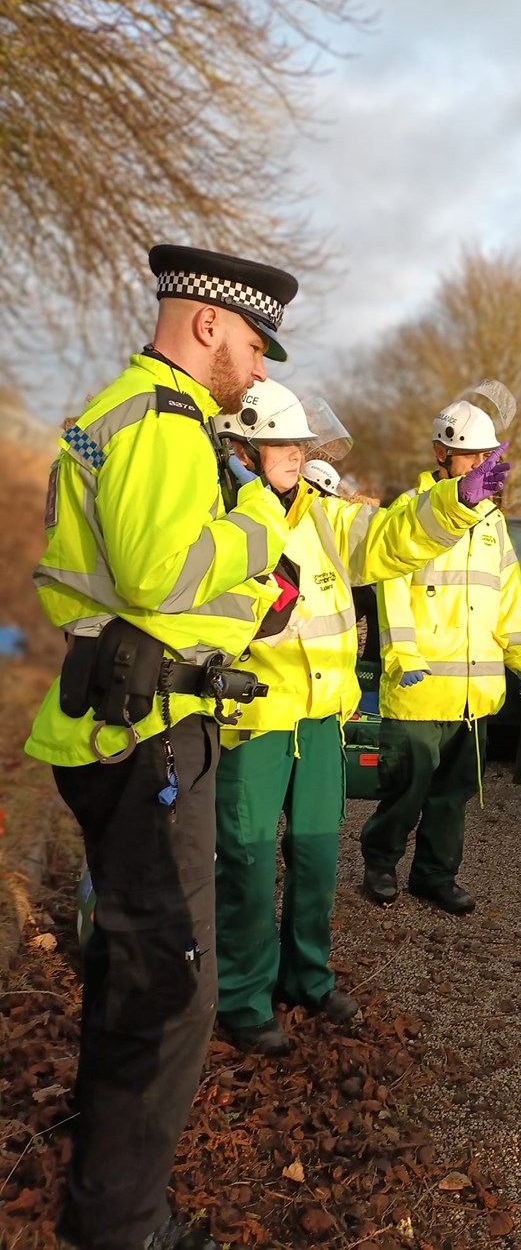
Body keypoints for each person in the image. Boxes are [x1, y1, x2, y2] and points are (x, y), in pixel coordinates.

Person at [26, 244, 298, 1250]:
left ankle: (107, 1184)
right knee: (173, 992)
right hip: (146, 743)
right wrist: (260, 517)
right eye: (255, 343)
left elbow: (156, 587)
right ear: (207, 324)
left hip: (113, 722)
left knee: (131, 966)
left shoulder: (117, 412)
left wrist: (243, 607)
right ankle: (121, 1223)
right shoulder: (165, 419)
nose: (260, 368)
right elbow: (159, 570)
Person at [211, 382, 511, 1055]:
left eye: (299, 441)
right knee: (249, 865)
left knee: (315, 858)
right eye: (282, 443)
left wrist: (454, 504)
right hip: (253, 720)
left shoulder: (322, 513)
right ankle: (244, 996)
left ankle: (307, 978)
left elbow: (391, 537)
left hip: (320, 718)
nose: (299, 453)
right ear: (241, 450)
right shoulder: (223, 518)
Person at [360, 392, 521, 914]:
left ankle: (435, 876)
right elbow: (390, 592)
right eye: (471, 456)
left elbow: (507, 594)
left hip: (473, 695)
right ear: (442, 453)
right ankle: (380, 863)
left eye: (488, 456)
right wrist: (403, 658)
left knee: (452, 796)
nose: (482, 465)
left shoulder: (491, 521)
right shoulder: (409, 512)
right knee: (406, 790)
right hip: (419, 689)